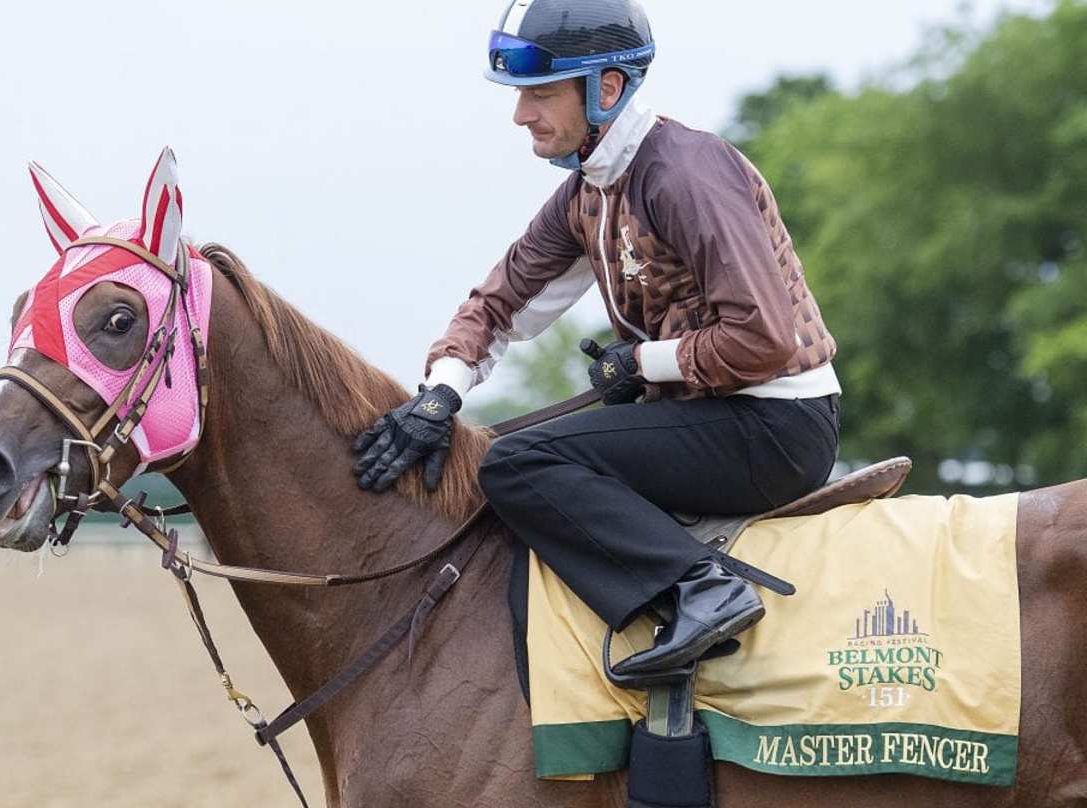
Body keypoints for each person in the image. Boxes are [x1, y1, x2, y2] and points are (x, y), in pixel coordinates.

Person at [353, 0, 840, 679]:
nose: (521, 115)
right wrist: (439, 397)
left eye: (541, 92)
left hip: (776, 425)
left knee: (516, 465)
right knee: (502, 453)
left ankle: (703, 590)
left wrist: (643, 360)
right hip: (712, 418)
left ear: (606, 89)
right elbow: (498, 304)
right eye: (521, 94)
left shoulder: (685, 174)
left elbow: (764, 340)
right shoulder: (590, 190)